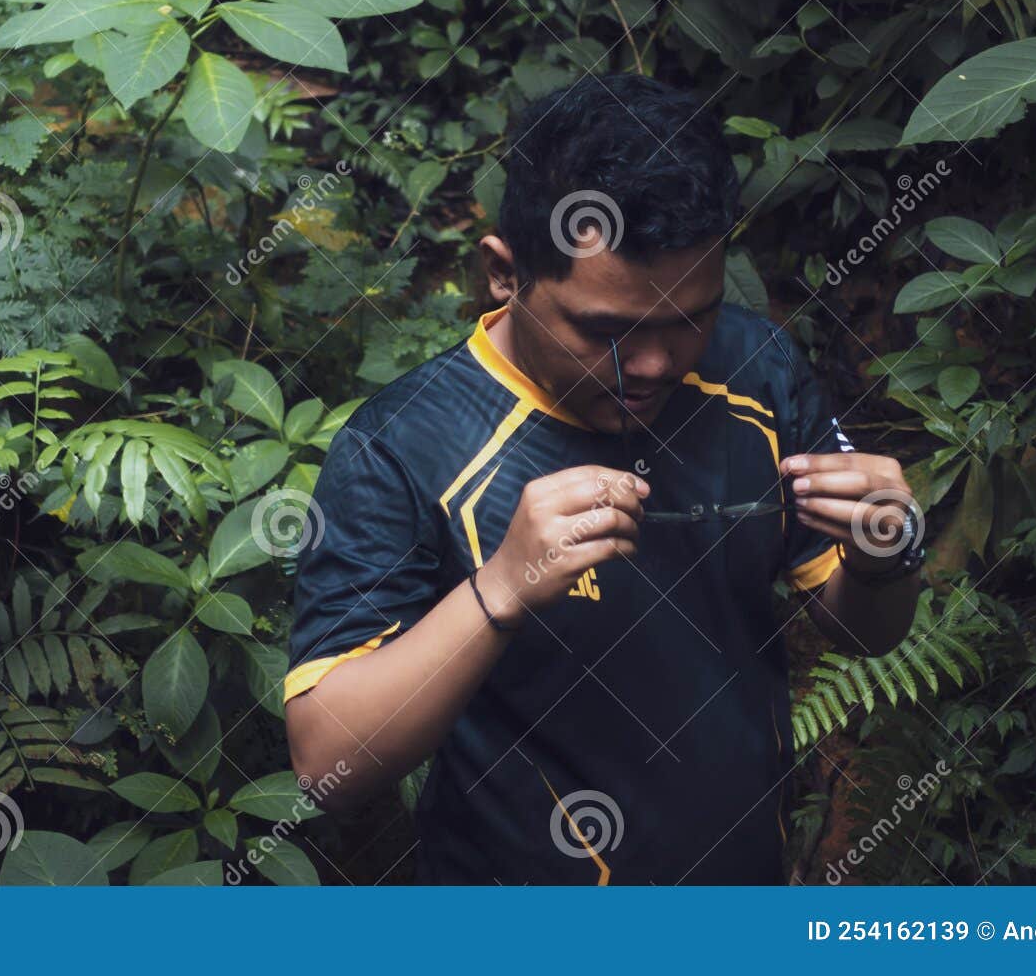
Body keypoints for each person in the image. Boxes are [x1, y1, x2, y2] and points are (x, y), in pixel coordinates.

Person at [284, 72, 922, 884]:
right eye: (607, 329)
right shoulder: (404, 444)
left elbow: (867, 631)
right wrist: (500, 590)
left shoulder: (755, 369)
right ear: (505, 274)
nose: (653, 363)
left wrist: (882, 553)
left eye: (691, 316)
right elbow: (327, 758)